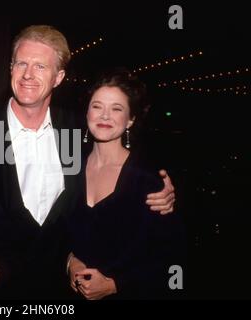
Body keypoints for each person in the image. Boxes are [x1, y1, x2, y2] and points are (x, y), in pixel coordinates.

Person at [0, 25, 175, 299]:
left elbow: (121, 153)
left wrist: (161, 187)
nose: (28, 74)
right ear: (10, 67)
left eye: (40, 66)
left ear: (58, 77)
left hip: (59, 292)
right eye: (21, 63)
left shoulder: (76, 131)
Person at [67, 68, 185, 300]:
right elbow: (55, 233)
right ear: (87, 112)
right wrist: (70, 261)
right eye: (97, 106)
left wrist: (115, 284)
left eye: (117, 109)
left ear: (130, 119)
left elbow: (172, 260)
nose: (105, 116)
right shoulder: (67, 169)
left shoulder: (148, 181)